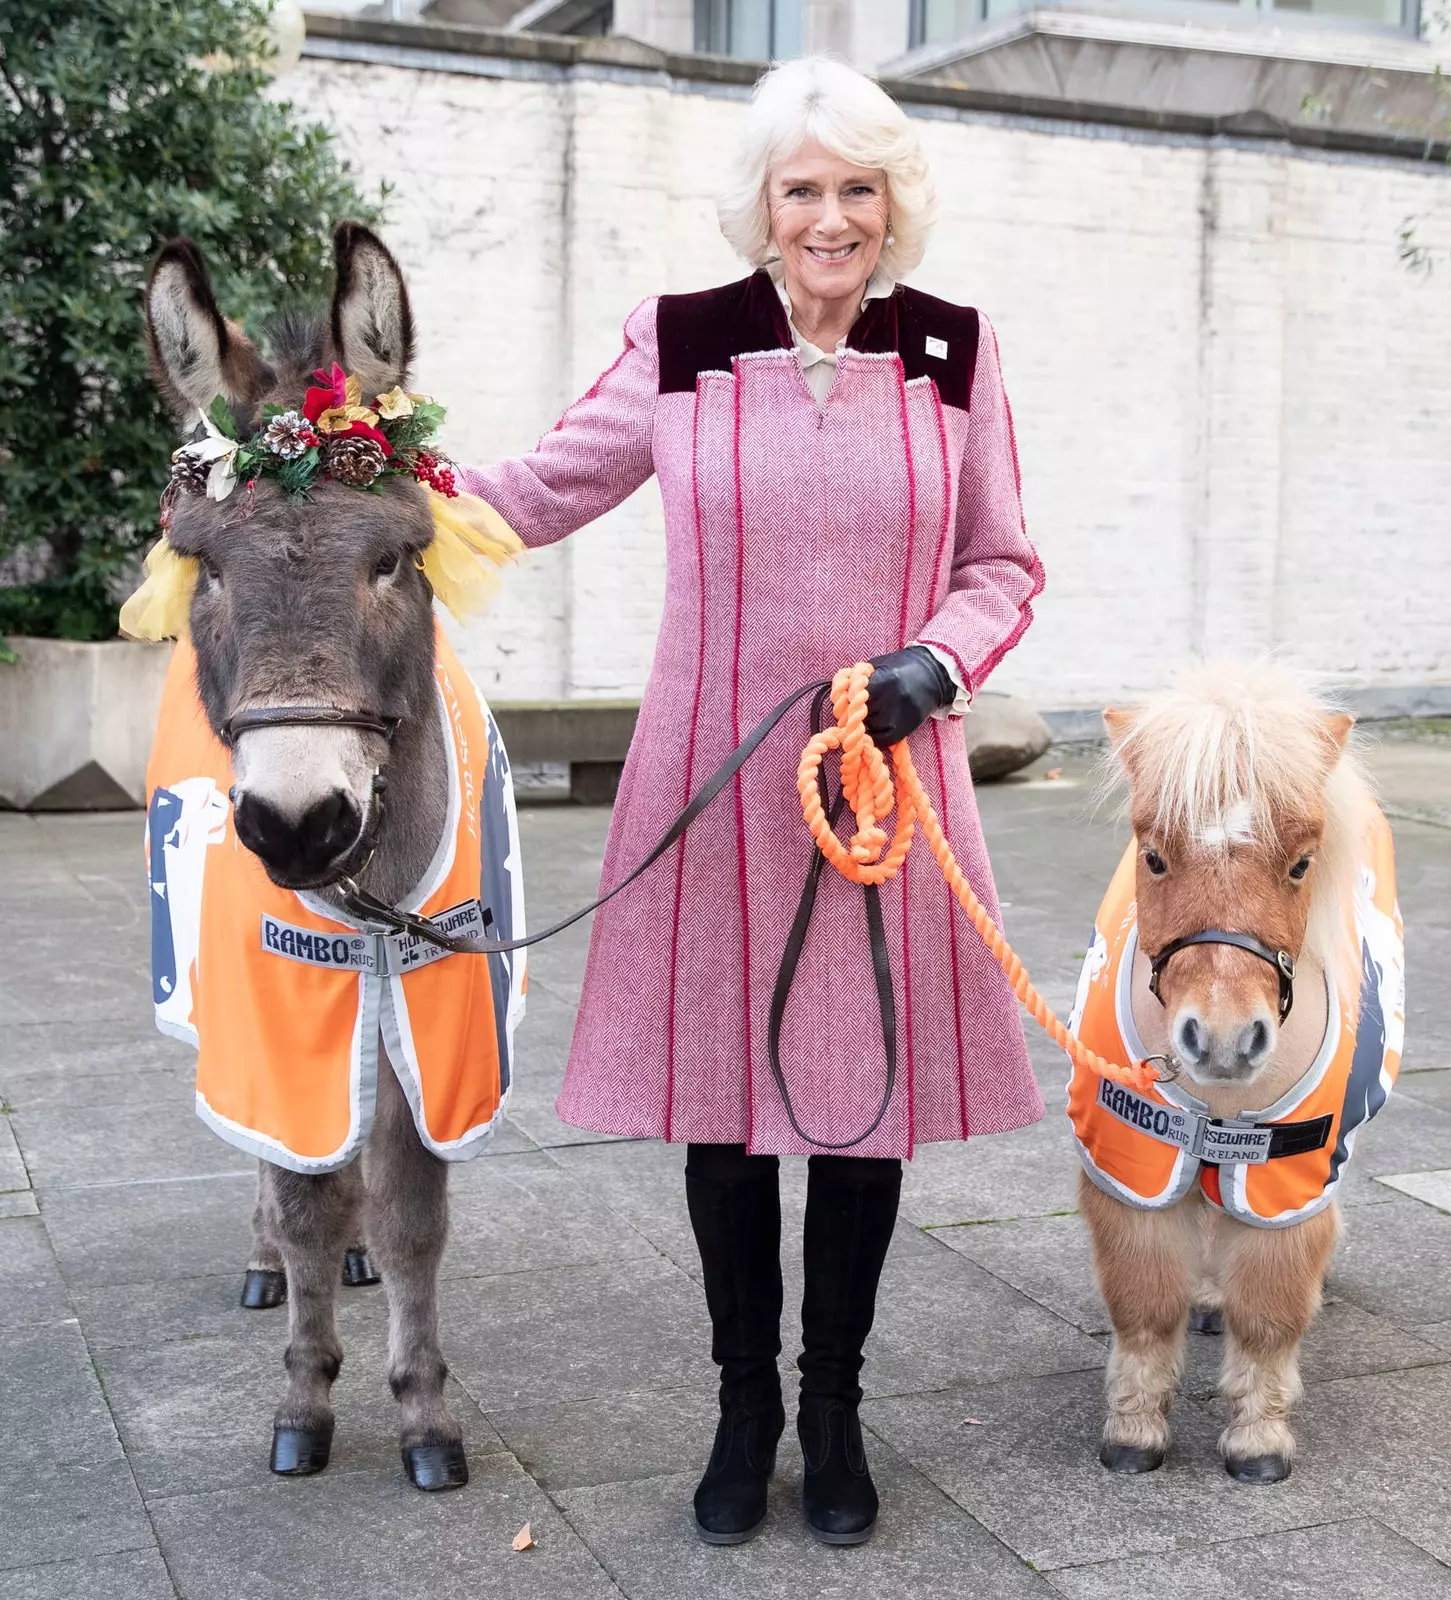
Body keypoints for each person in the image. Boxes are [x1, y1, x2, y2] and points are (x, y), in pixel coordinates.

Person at [461, 55, 1045, 1547]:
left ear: (893, 203)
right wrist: (330, 468)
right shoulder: (681, 341)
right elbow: (525, 494)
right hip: (713, 787)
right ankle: (744, 1409)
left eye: (860, 188)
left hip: (879, 787)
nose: (833, 217)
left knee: (862, 1118)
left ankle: (836, 1407)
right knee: (724, 1112)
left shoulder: (953, 351)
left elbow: (1004, 565)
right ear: (763, 206)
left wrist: (938, 658)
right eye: (805, 189)